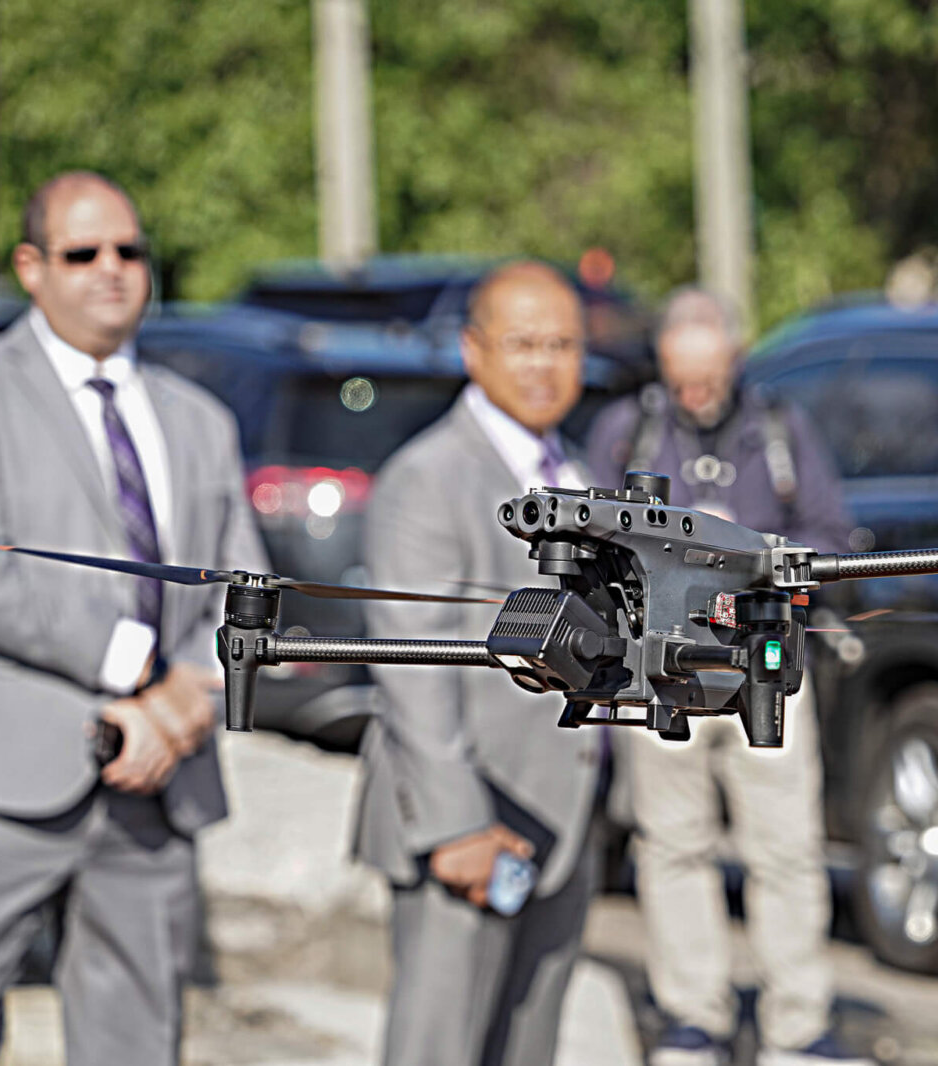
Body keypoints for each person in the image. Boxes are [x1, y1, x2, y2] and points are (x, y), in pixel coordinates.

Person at [0, 171, 267, 1065]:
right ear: (30, 267)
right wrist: (143, 675)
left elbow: (243, 591)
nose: (112, 270)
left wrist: (194, 696)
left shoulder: (197, 419)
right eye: (83, 252)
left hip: (158, 781)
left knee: (139, 1044)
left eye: (130, 251)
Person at [585, 289, 869, 1066]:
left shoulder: (778, 430)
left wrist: (752, 562)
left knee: (786, 845)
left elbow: (828, 533)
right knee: (672, 843)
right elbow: (592, 536)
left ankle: (799, 1021)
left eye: (707, 380)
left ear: (734, 363)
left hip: (764, 661)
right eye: (683, 381)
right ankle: (693, 1015)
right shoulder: (629, 431)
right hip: (663, 665)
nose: (695, 396)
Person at [353, 260, 602, 1066]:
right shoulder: (429, 477)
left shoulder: (582, 478)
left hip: (563, 823)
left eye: (562, 343)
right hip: (468, 823)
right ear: (473, 349)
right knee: (439, 1050)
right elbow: (408, 664)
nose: (544, 363)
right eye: (522, 342)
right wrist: (457, 823)